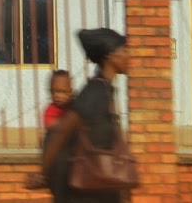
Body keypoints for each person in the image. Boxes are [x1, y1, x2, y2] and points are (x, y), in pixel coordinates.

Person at [41, 27, 133, 203]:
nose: (129, 56)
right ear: (110, 56)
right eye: (124, 51)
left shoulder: (105, 89)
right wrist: (43, 173)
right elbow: (61, 130)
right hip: (87, 190)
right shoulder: (94, 92)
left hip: (102, 184)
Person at [43, 69, 73, 134]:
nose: (58, 96)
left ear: (70, 92)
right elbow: (51, 127)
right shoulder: (50, 110)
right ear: (50, 92)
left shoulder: (73, 107)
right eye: (55, 91)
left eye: (63, 92)